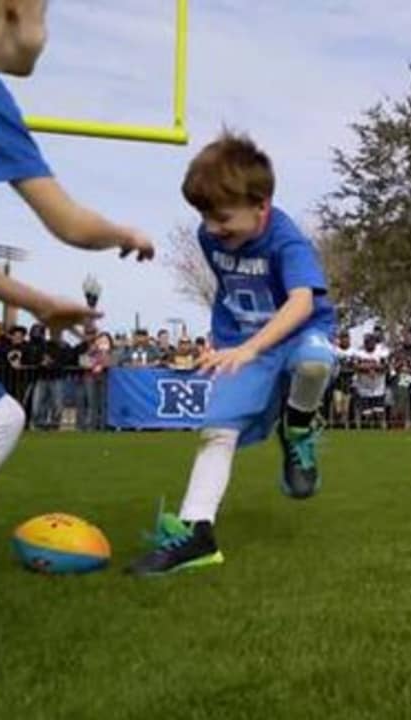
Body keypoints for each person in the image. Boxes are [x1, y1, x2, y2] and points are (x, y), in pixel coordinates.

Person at [126, 132, 337, 576]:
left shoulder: (287, 242)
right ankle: (197, 533)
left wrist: (250, 347)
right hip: (242, 345)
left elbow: (302, 302)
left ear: (262, 205)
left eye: (222, 217)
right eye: (204, 216)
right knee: (216, 432)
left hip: (295, 333)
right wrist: (233, 344)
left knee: (316, 361)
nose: (211, 228)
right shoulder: (211, 238)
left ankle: (298, 428)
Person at [0, 0, 153, 506]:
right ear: (14, 10)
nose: (47, 35)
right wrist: (126, 234)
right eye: (46, 16)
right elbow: (70, 223)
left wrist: (36, 302)